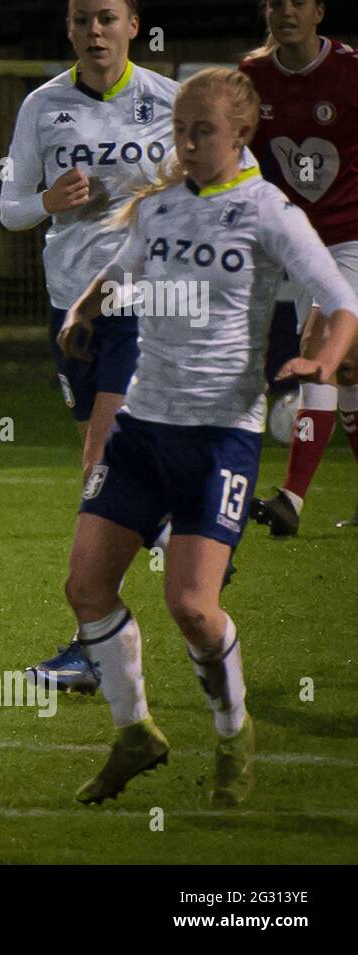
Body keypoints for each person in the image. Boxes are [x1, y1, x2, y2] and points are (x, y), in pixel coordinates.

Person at [56, 67, 357, 807]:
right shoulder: (158, 211)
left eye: (204, 131)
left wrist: (322, 357)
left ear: (242, 134)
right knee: (86, 586)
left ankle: (232, 730)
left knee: (192, 605)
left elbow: (340, 295)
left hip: (221, 433)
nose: (187, 144)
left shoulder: (268, 212)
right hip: (141, 425)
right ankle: (135, 732)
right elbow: (120, 269)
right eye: (180, 129)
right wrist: (83, 311)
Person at [1, 0, 181, 693]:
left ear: (134, 25)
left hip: (142, 302)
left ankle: (171, 532)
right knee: (98, 468)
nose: (94, 31)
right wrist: (49, 200)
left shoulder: (167, 100)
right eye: (82, 19)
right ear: (70, 30)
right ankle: (106, 629)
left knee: (101, 457)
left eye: (107, 17)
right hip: (69, 310)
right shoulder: (42, 106)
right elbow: (11, 206)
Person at [239, 0, 358, 536]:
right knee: (348, 368)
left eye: (298, 1)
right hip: (300, 245)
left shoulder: (351, 72)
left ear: (318, 12)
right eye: (276, 1)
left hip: (354, 238)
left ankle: (291, 497)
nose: (286, 10)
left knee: (316, 350)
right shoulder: (251, 77)